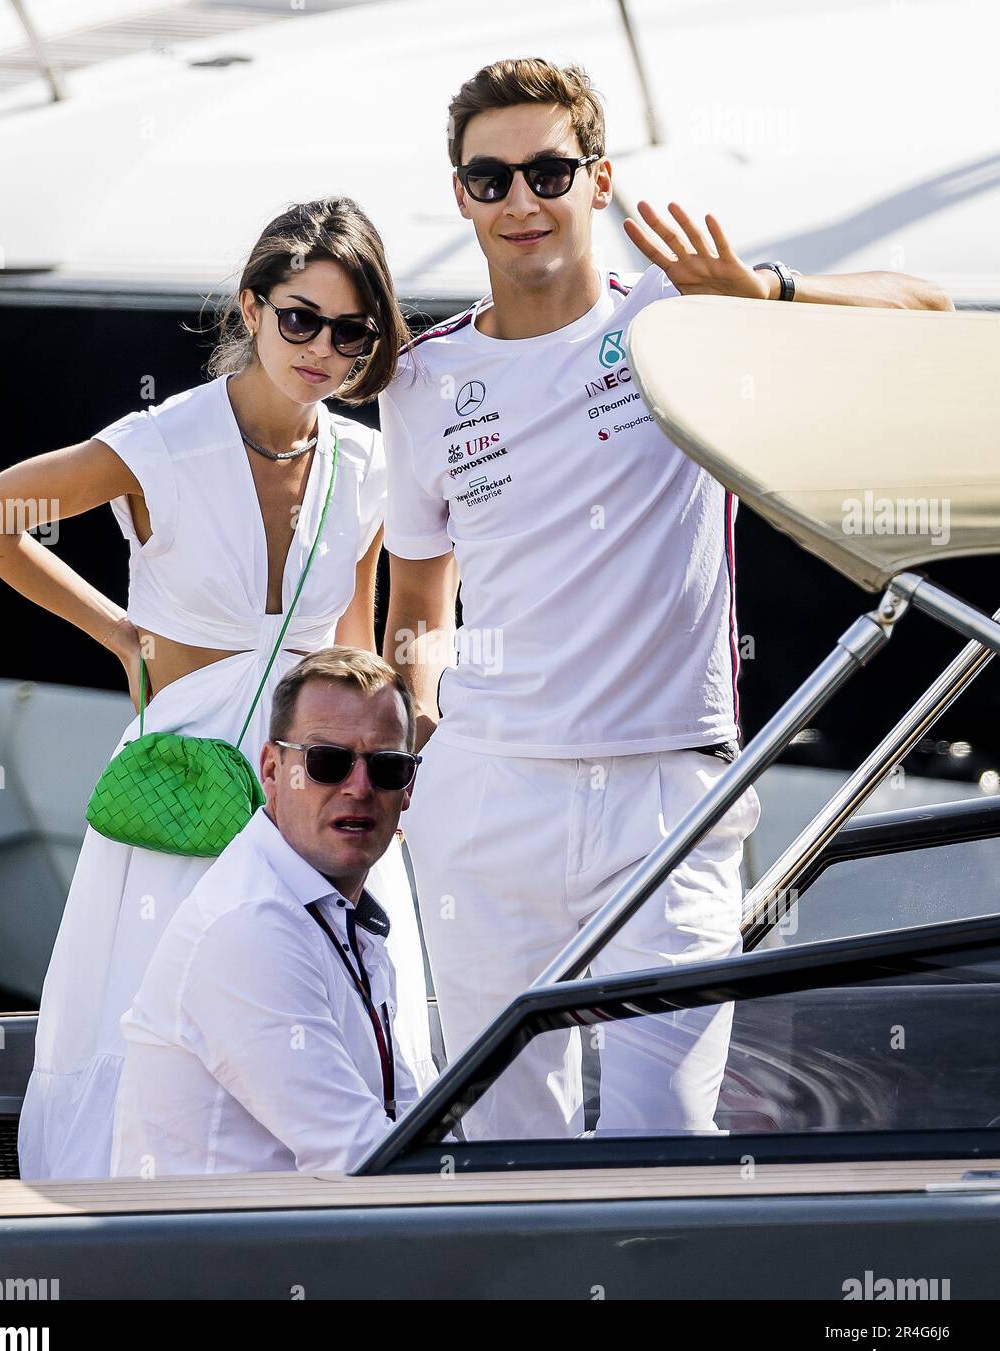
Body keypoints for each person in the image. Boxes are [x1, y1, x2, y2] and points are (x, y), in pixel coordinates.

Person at [380, 58, 955, 1141]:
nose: (521, 201)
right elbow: (419, 588)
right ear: (458, 194)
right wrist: (418, 720)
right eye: (490, 178)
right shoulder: (420, 379)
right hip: (486, 796)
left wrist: (765, 294)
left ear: (598, 181)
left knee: (669, 1143)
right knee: (508, 1148)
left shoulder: (684, 313)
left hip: (670, 796)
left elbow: (925, 306)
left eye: (548, 170)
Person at [0, 197, 435, 1181]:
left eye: (351, 331)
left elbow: (351, 648)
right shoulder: (159, 443)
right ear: (252, 308)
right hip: (184, 778)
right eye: (300, 317)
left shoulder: (370, 465)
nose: (322, 349)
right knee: (156, 1015)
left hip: (315, 771)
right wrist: (119, 636)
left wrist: (405, 728)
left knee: (323, 1009)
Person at [111, 648, 420, 1176]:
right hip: (234, 1253)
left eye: (387, 767)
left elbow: (404, 1119)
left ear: (408, 787)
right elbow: (357, 1158)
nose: (359, 787)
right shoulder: (251, 925)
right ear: (272, 770)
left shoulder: (331, 909)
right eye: (328, 761)